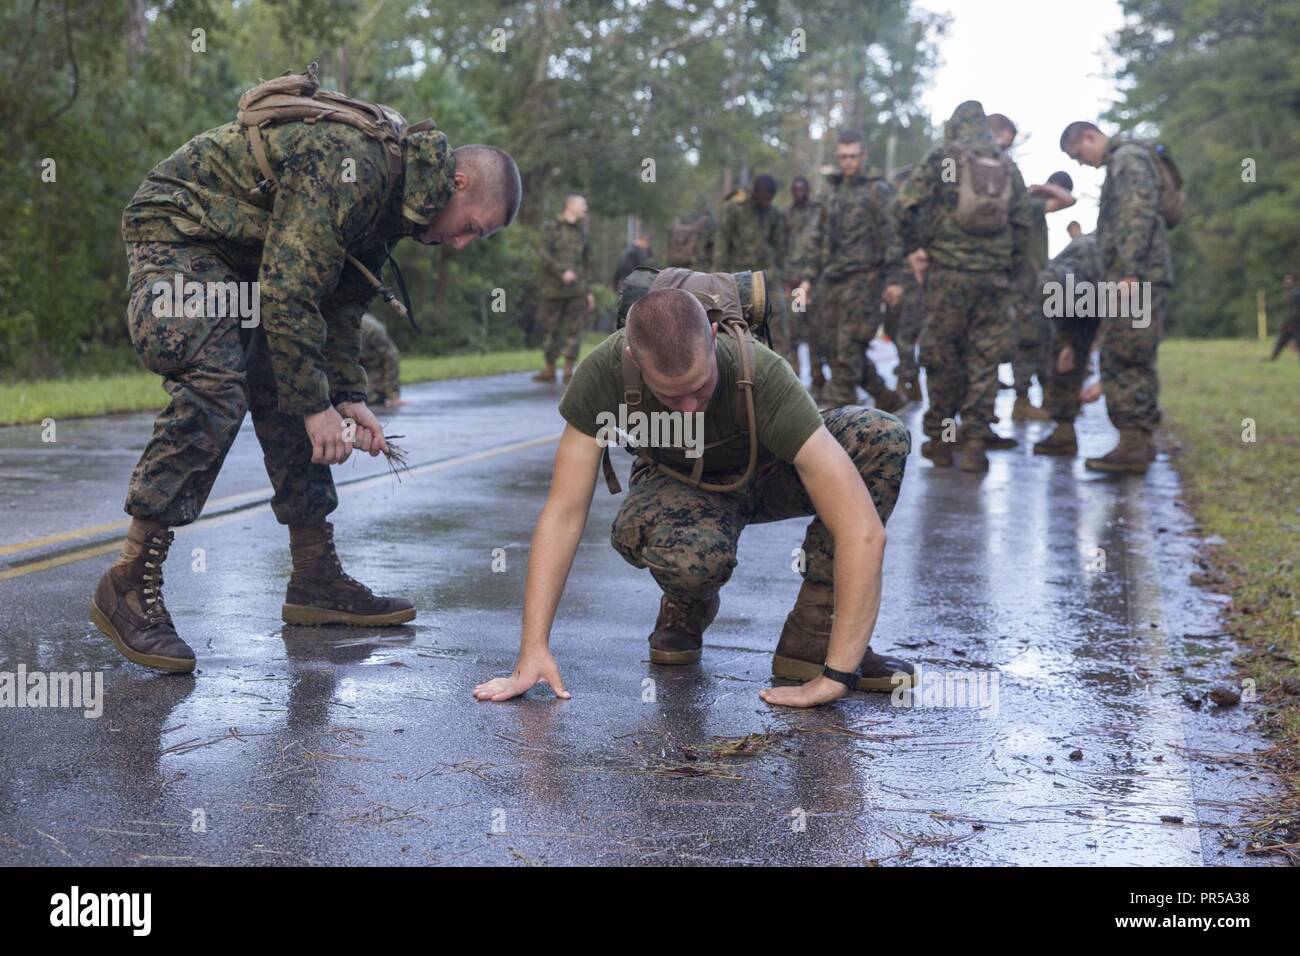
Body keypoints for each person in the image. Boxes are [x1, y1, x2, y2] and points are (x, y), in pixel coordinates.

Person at [95, 65, 522, 671]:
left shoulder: (397, 199)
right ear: (456, 183)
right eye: (471, 229)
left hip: (248, 261)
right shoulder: (356, 163)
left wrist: (347, 397)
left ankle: (315, 576)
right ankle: (129, 581)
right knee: (220, 387)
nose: (461, 244)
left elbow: (338, 304)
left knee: (294, 382)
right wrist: (316, 406)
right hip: (182, 235)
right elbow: (292, 291)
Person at [472, 269, 914, 710]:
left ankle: (816, 634)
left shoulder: (759, 370)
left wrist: (838, 676)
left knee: (880, 436)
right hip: (684, 484)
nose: (689, 408)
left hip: (766, 471)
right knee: (689, 557)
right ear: (634, 358)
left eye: (700, 389)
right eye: (671, 396)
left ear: (714, 336)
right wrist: (531, 651)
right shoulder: (603, 373)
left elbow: (862, 531)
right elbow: (563, 512)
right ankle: (685, 606)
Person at [896, 101, 1031, 471]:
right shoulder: (1006, 165)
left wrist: (915, 249)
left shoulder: (946, 158)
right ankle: (973, 446)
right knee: (984, 361)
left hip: (948, 276)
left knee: (942, 357)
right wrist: (1009, 268)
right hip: (994, 280)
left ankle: (941, 442)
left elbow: (905, 204)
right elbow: (1024, 223)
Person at [1061, 120, 1173, 473]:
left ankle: (1133, 445)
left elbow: (1135, 215)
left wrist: (1127, 269)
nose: (1081, 162)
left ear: (1091, 137)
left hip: (1135, 277)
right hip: (1139, 273)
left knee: (1125, 355)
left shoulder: (1126, 160)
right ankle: (1139, 441)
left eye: (1079, 154)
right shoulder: (1129, 159)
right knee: (1135, 352)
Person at [793, 131, 906, 412]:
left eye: (853, 156)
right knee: (830, 345)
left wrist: (893, 280)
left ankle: (836, 407)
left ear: (863, 156)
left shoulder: (877, 190)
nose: (848, 162)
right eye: (843, 157)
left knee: (850, 344)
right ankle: (884, 395)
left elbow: (893, 235)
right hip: (831, 280)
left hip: (865, 278)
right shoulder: (829, 191)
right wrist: (807, 279)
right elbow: (816, 237)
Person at [1031, 233, 1104, 456]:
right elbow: (1065, 320)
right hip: (1077, 288)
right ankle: (1064, 431)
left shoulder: (1106, 267)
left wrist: (1105, 381)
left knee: (1130, 356)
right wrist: (1068, 345)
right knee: (1065, 357)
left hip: (1126, 288)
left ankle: (1136, 439)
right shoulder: (1052, 277)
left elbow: (1125, 336)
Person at [718, 175, 790, 361]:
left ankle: (779, 366)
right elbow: (722, 244)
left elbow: (781, 247)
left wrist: (781, 274)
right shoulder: (735, 209)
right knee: (733, 324)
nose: (766, 203)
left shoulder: (774, 214)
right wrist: (719, 276)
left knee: (778, 322)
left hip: (767, 277)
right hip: (737, 277)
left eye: (770, 200)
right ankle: (735, 364)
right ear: (755, 193)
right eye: (763, 198)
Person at [534, 194, 595, 385]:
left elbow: (586, 264)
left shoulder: (582, 232)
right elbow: (543, 255)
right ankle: (550, 369)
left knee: (575, 329)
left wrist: (589, 291)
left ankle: (569, 370)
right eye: (582, 204)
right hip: (553, 289)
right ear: (570, 205)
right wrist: (562, 272)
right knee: (550, 329)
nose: (585, 207)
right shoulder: (552, 227)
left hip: (577, 291)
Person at [882, 164, 924, 404]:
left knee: (906, 334)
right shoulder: (899, 214)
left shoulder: (919, 215)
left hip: (913, 282)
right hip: (897, 280)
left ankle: (908, 381)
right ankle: (910, 379)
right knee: (893, 330)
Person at [784, 175, 826, 386]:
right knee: (793, 331)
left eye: (802, 189)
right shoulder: (787, 214)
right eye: (795, 189)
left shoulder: (817, 212)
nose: (799, 192)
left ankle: (818, 376)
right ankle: (795, 376)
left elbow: (820, 247)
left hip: (814, 282)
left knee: (814, 333)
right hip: (793, 283)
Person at [360, 313, 403, 408]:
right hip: (359, 370)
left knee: (362, 397)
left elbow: (391, 357)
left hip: (376, 372)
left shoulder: (372, 329)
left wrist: (391, 391)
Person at [1270, 273, 1300, 360]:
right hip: (1292, 321)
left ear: (1294, 281)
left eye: (1288, 279)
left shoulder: (1295, 293)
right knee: (1282, 339)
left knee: (1291, 340)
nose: (1286, 281)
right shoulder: (1293, 292)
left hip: (1295, 321)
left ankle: (1273, 357)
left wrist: (1289, 322)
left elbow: (1295, 310)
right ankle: (1273, 358)